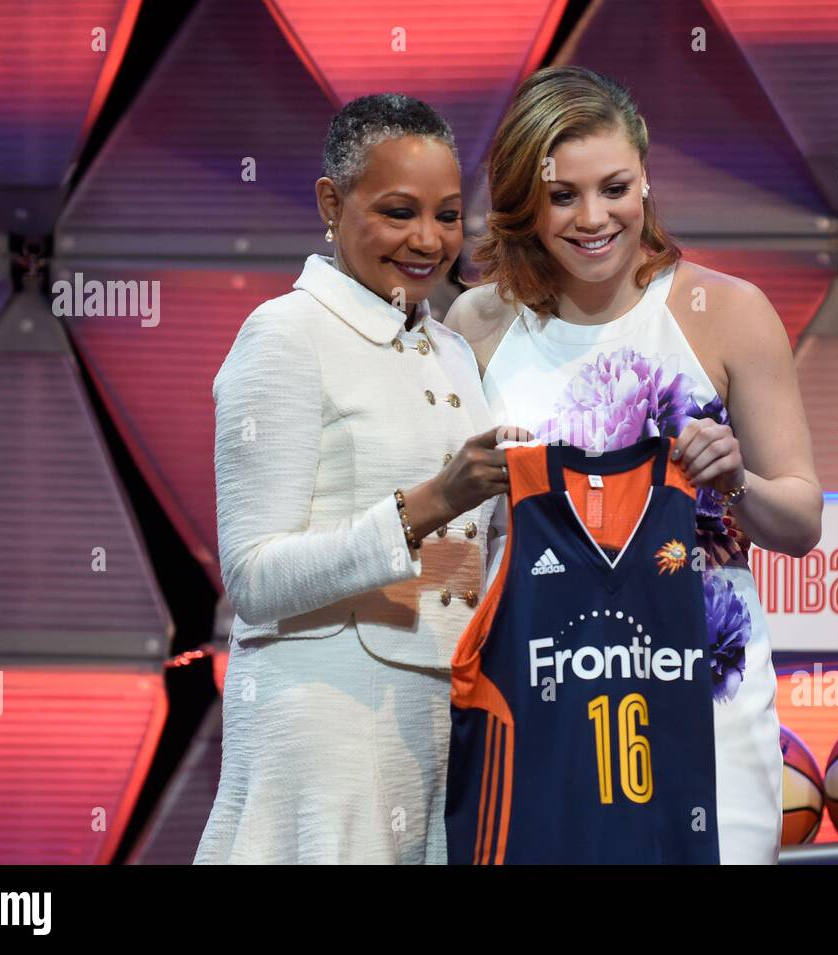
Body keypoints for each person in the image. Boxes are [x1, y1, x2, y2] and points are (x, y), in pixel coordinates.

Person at [445, 66, 823, 864]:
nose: (593, 218)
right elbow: (455, 540)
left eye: (614, 187)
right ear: (524, 199)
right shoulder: (477, 324)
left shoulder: (729, 312)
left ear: (646, 177)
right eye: (562, 196)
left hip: (703, 707)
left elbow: (801, 522)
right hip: (535, 702)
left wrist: (737, 481)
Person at [195, 93, 524, 864]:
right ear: (331, 201)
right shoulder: (286, 333)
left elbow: (466, 560)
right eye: (399, 211)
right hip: (323, 730)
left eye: (447, 216)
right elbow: (252, 575)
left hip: (443, 724)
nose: (428, 239)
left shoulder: (451, 352)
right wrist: (432, 501)